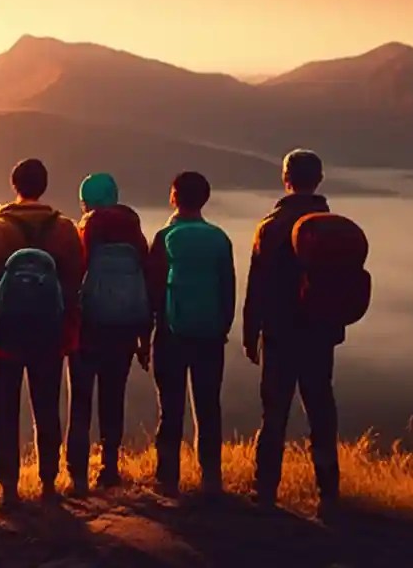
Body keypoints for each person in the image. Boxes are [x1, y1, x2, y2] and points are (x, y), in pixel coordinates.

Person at [0, 159, 83, 508]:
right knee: (47, 406)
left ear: (14, 184)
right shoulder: (65, 229)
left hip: (4, 336)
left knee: (3, 411)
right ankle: (48, 483)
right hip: (49, 335)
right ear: (44, 185)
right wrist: (70, 333)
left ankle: (9, 488)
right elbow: (75, 285)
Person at [244, 149, 343, 514]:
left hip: (279, 333)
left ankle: (265, 491)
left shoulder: (270, 225)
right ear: (318, 179)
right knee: (321, 409)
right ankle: (328, 494)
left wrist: (249, 331)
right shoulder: (331, 225)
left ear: (285, 177)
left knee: (274, 412)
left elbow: (257, 285)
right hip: (319, 333)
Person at [147, 172, 235, 497]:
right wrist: (222, 327)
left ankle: (167, 480)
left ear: (173, 196)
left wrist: (147, 335)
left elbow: (154, 290)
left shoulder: (164, 237)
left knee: (170, 408)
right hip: (210, 335)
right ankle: (210, 478)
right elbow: (228, 288)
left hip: (170, 334)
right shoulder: (219, 238)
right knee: (208, 406)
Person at [67, 172, 152, 494]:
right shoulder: (132, 228)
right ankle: (110, 467)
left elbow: (75, 274)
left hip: (88, 328)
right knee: (113, 396)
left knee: (80, 399)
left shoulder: (87, 228)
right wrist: (145, 335)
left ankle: (77, 475)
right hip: (124, 327)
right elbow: (146, 279)